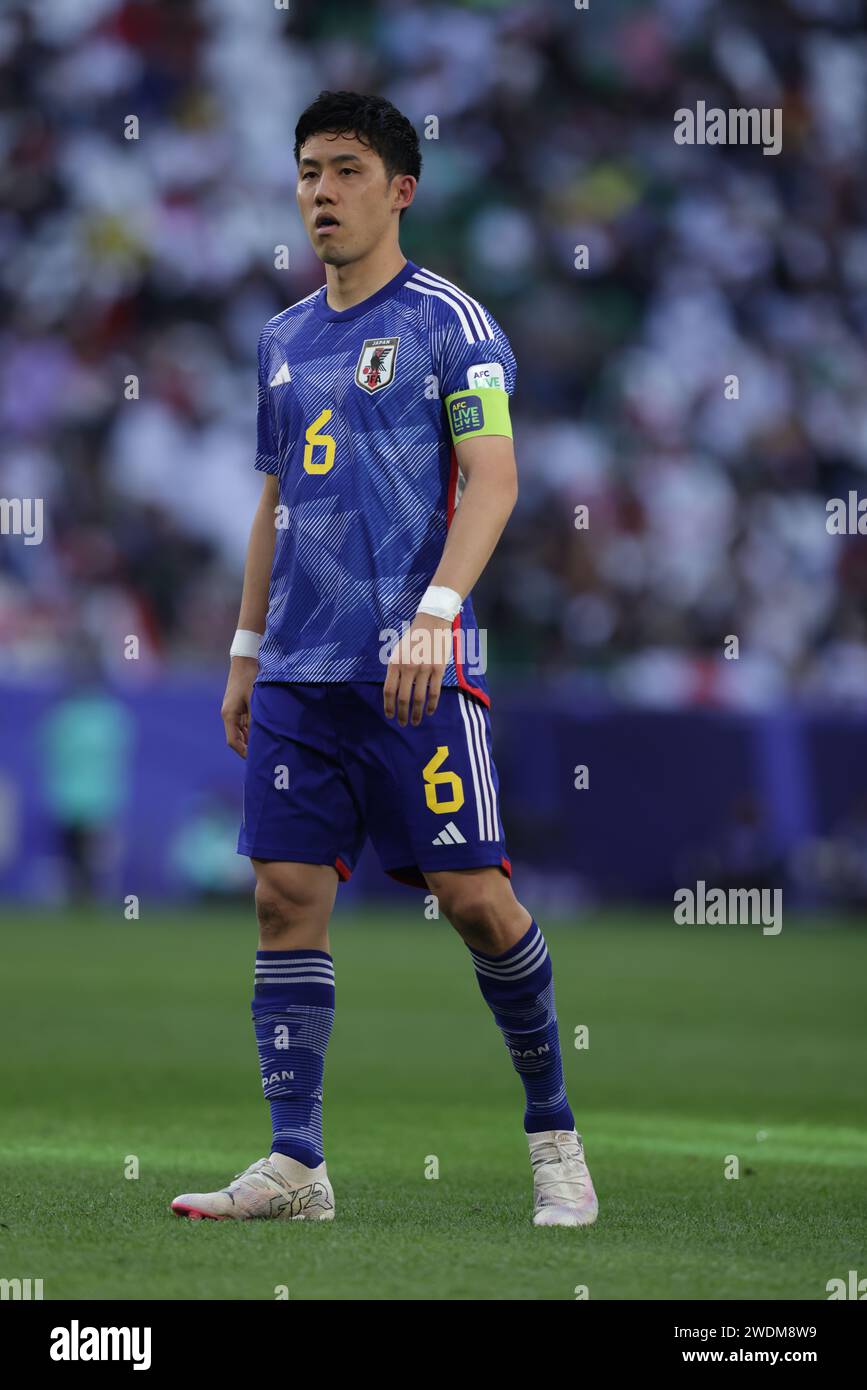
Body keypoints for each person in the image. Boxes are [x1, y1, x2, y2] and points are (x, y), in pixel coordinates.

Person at [171, 91, 597, 1228]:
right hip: (302, 668)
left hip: (415, 664)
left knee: (472, 899)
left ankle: (554, 1133)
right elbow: (275, 501)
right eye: (309, 170)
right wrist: (246, 650)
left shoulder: (453, 322)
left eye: (347, 169)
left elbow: (494, 478)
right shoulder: (281, 338)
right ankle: (296, 1160)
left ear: (400, 188)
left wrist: (438, 611)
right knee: (282, 894)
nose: (321, 190)